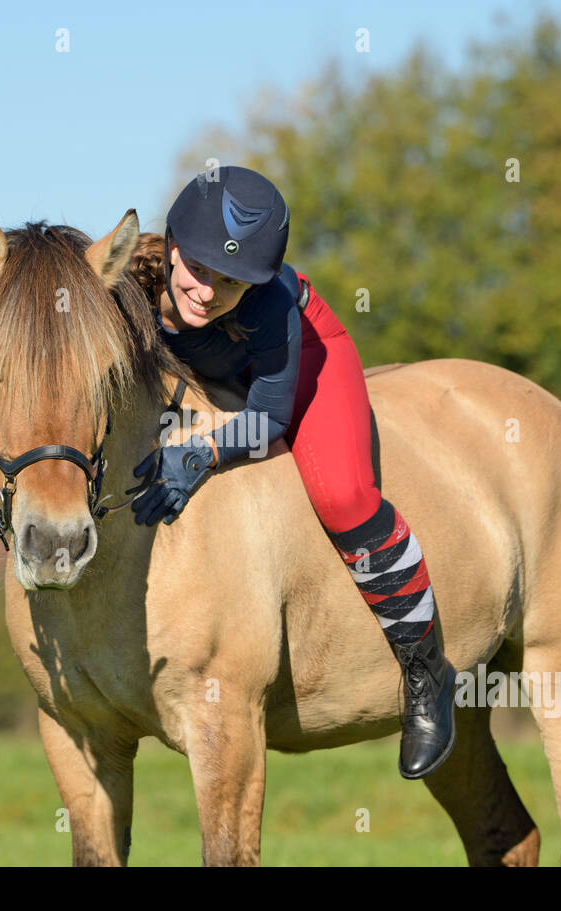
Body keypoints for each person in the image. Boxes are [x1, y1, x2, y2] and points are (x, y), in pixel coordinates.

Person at [126, 166, 456, 779]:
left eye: (231, 282)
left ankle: (427, 673)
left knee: (344, 496)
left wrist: (196, 455)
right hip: (226, 373)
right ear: (172, 245)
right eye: (199, 270)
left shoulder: (272, 304)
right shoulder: (128, 287)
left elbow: (267, 422)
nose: (208, 292)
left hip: (303, 362)